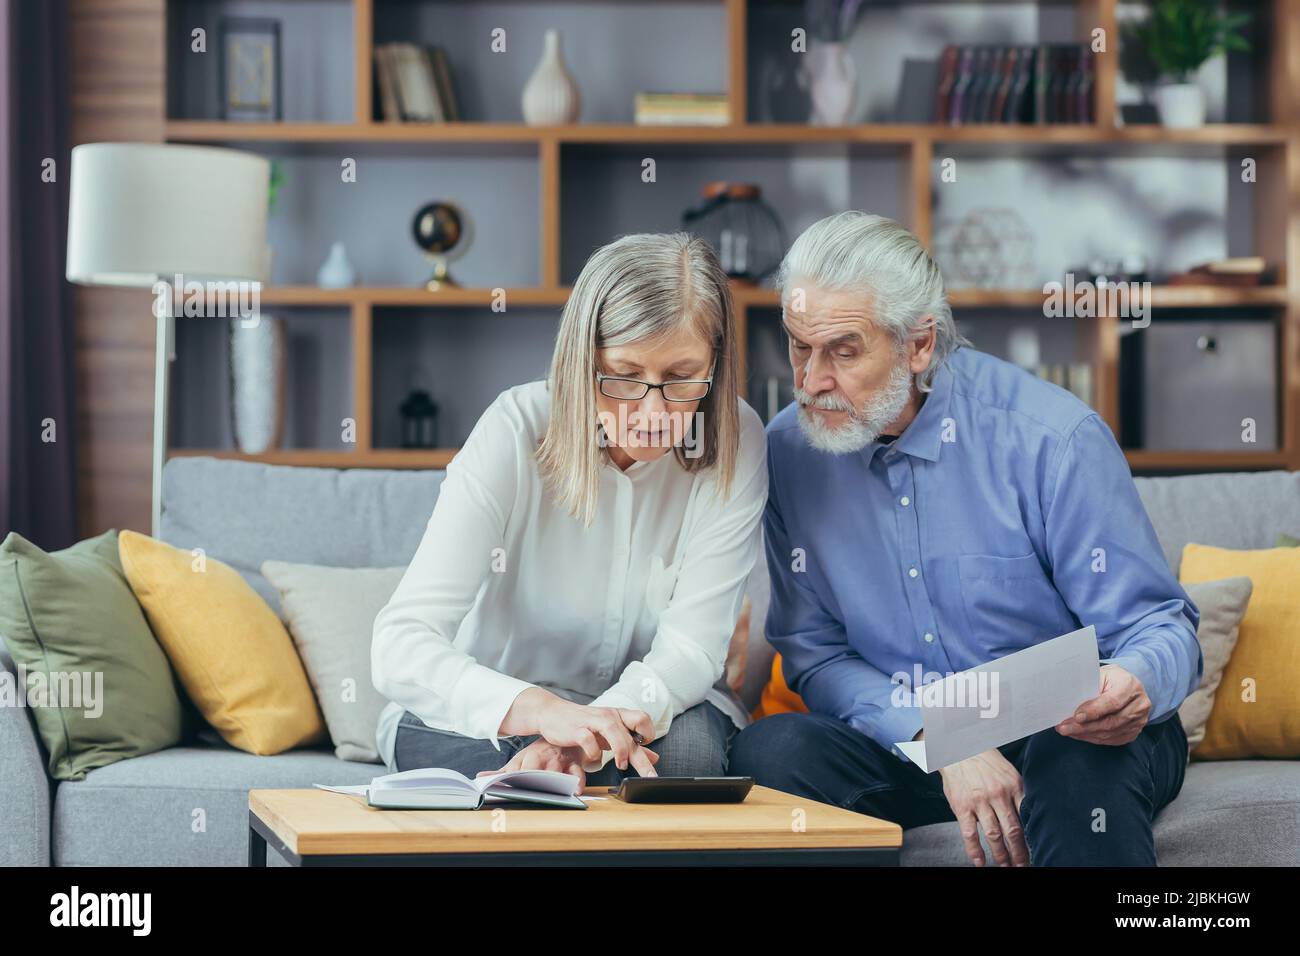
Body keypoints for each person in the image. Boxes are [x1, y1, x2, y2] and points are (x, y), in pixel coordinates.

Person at [727, 211, 1201, 866]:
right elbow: (816, 656)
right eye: (798, 346)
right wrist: (939, 736)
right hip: (911, 740)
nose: (810, 382)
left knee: (1075, 765)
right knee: (770, 752)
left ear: (919, 344)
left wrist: (1138, 679)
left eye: (842, 350)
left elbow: (1160, 627)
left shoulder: (1050, 437)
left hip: (1064, 730)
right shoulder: (788, 452)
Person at [371, 232, 767, 790]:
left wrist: (591, 738)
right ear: (583, 359)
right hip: (505, 709)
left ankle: (549, 783)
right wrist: (541, 713)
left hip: (649, 714)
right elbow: (400, 643)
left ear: (715, 365)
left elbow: (692, 648)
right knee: (504, 759)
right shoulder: (514, 429)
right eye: (623, 376)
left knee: (690, 762)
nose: (651, 411)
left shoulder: (737, 436)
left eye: (681, 378)